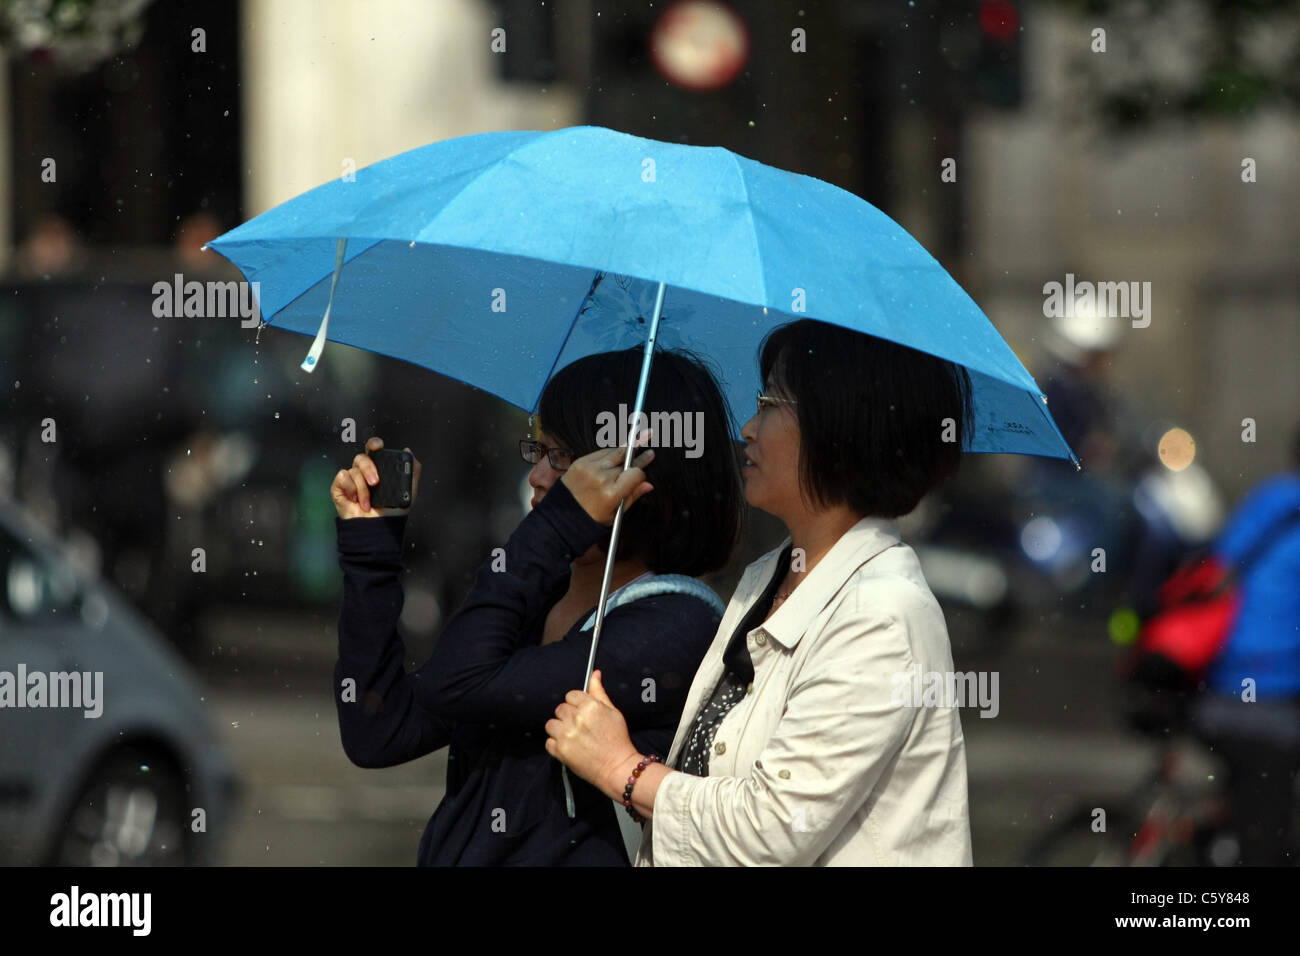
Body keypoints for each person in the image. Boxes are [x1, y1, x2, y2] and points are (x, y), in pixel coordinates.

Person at [546, 318, 976, 865]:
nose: (748, 428)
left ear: (839, 428)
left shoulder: (880, 614)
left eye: (771, 404)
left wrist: (620, 769)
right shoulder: (770, 575)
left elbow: (771, 828)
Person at [330, 347, 743, 865]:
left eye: (566, 460)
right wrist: (373, 549)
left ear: (638, 477)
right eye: (540, 452)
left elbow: (456, 681)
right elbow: (378, 732)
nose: (540, 477)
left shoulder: (674, 626)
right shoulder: (539, 594)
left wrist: (557, 527)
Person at [1191, 423, 1300, 865]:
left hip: (1212, 688)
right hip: (1268, 706)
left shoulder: (1267, 501)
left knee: (1246, 798)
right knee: (1265, 841)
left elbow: (1218, 568)